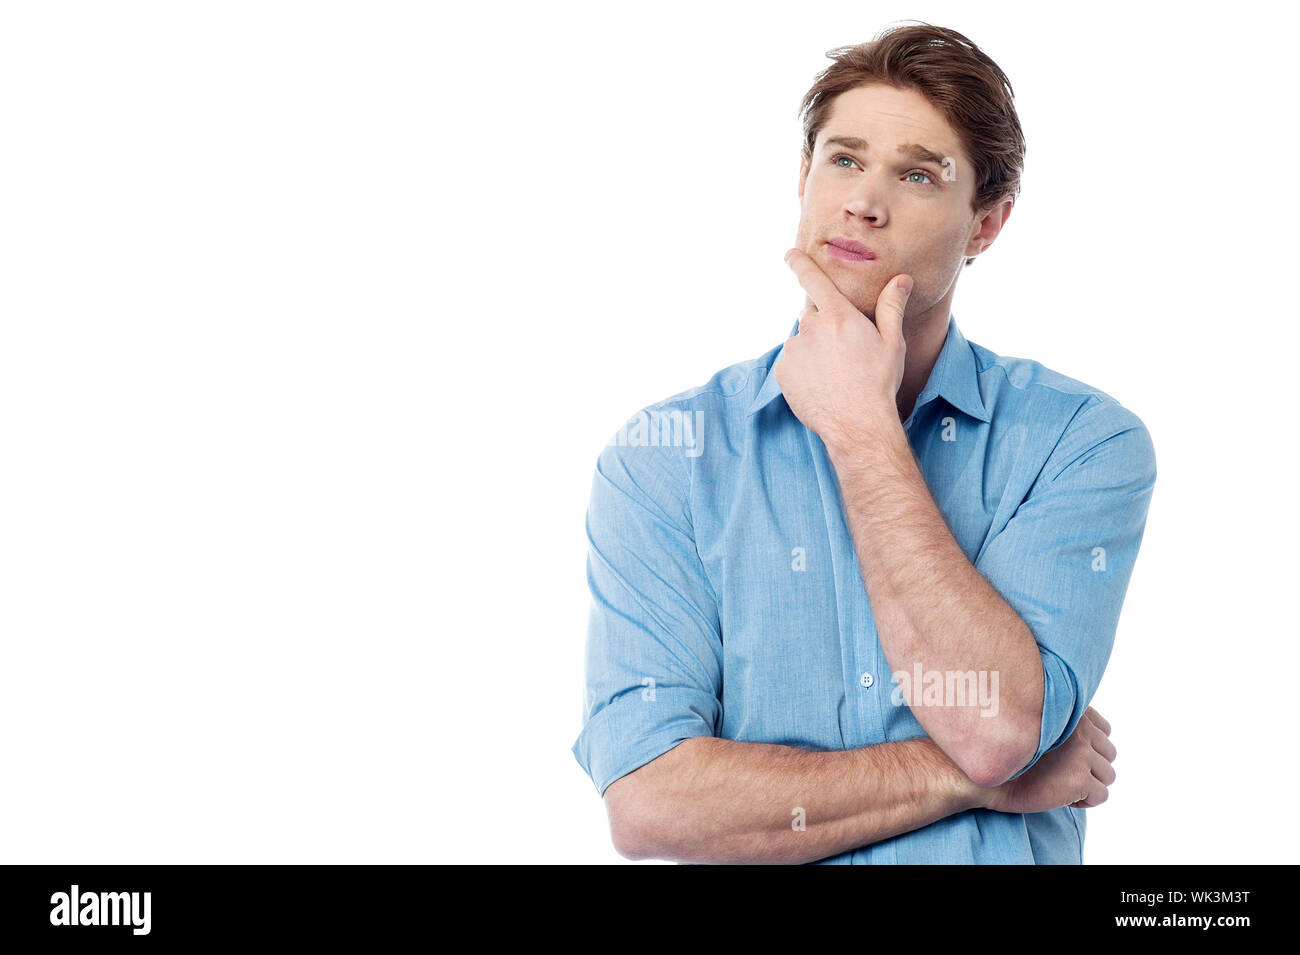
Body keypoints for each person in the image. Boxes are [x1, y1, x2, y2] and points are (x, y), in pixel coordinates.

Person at [571, 22, 1156, 864]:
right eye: (843, 159)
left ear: (986, 223)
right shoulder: (664, 458)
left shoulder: (1081, 443)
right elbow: (653, 804)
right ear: (804, 178)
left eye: (918, 174)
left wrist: (861, 429)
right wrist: (976, 778)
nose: (864, 201)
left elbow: (992, 727)